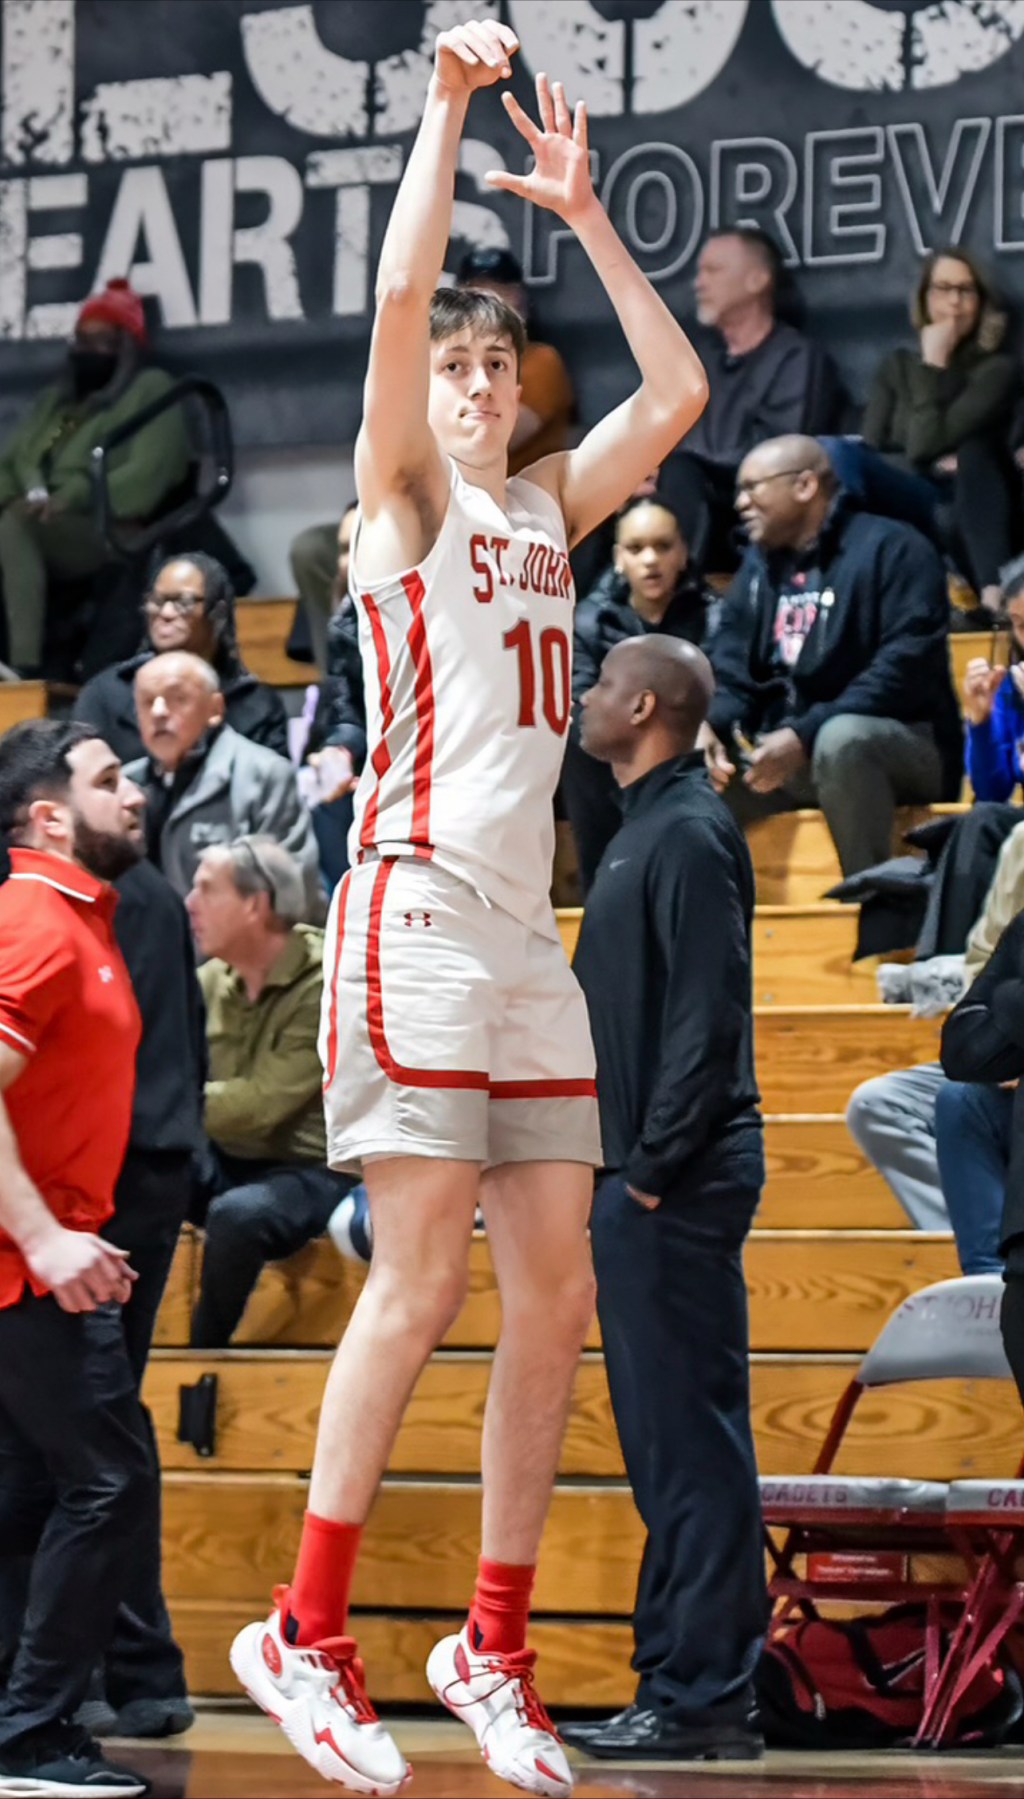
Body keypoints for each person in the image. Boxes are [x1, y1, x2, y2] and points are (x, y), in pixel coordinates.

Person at [227, 18, 709, 1799]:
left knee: (557, 1296)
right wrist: (439, 114)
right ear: (423, 391)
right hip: (415, 910)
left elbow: (673, 401)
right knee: (419, 1278)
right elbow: (396, 299)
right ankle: (306, 1625)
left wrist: (584, 214)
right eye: (458, 360)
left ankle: (489, 1643)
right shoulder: (404, 500)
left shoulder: (543, 512)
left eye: (500, 361)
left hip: (524, 934)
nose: (478, 375)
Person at [565, 636, 765, 1762]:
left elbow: (708, 1019)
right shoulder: (644, 821)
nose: (586, 699)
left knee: (688, 1442)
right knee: (665, 1441)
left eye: (598, 686)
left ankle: (702, 1695)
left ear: (642, 705)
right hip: (648, 1178)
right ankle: (676, 1679)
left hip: (672, 1184)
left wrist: (645, 1169)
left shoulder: (687, 832)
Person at [0, 719, 153, 1799]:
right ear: (49, 815)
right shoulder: (34, 921)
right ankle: (33, 1734)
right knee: (108, 1479)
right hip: (26, 1271)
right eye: (109, 779)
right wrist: (46, 1237)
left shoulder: (77, 918)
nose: (134, 790)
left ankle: (20, 1723)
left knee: (33, 1492)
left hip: (43, 1265)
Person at [701, 433, 960, 876]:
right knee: (686, 764)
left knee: (842, 739)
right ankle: (696, 928)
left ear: (805, 486)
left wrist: (805, 733)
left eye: (753, 487)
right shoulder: (758, 571)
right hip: (792, 750)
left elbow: (902, 673)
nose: (740, 503)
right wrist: (707, 723)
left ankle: (878, 904)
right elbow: (732, 669)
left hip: (905, 744)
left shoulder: (896, 549)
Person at [186, 839, 354, 1347]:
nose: (189, 902)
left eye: (207, 889)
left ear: (255, 905)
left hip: (315, 1170)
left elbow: (261, 1107)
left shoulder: (328, 980)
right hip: (228, 1158)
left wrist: (175, 1104)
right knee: (135, 1169)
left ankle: (199, 1359)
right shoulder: (208, 981)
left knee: (238, 1216)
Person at [846, 820, 1024, 1264]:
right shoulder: (1021, 843)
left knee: (963, 1099)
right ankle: (980, 1265)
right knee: (882, 1104)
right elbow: (982, 966)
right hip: (1008, 1047)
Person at [0, 281, 190, 675]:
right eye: (81, 341)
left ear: (126, 348)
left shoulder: (150, 389)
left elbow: (148, 476)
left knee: (17, 525)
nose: (87, 352)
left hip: (106, 529)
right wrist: (27, 495)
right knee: (14, 518)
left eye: (101, 341)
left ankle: (25, 668)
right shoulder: (56, 402)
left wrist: (71, 497)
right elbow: (12, 461)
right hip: (39, 516)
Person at [663, 230, 840, 572]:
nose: (698, 284)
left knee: (683, 471)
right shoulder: (699, 364)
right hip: (690, 496)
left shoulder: (796, 359)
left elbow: (783, 453)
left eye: (713, 271)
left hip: (753, 506)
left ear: (758, 279)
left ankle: (682, 595)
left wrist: (686, 464)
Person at [562, 492, 715, 889]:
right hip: (615, 757)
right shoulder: (589, 621)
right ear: (618, 557)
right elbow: (581, 694)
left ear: (683, 553)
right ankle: (600, 884)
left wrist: (697, 724)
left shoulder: (714, 615)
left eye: (663, 547)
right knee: (575, 737)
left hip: (696, 751)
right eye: (636, 548)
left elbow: (733, 685)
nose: (650, 560)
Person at [863, 248, 1020, 614]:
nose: (954, 301)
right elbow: (876, 442)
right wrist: (930, 459)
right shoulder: (897, 366)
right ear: (925, 297)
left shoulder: (996, 370)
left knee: (973, 449)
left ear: (981, 301)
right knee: (844, 460)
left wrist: (934, 364)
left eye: (966, 290)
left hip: (976, 497)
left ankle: (992, 593)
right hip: (914, 488)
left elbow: (921, 441)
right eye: (944, 288)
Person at [125, 652, 321, 919]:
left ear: (215, 709)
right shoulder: (125, 788)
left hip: (244, 954)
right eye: (147, 702)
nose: (158, 712)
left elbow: (292, 891)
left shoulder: (264, 774)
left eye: (177, 699)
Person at [73, 552, 288, 764]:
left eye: (183, 602)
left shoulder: (256, 704)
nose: (165, 613)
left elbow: (271, 787)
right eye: (157, 601)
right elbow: (80, 779)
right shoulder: (106, 693)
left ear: (218, 613)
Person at [455, 245, 575, 473]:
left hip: (523, 498)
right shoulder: (441, 365)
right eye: (476, 293)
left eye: (500, 291)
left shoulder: (541, 361)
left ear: (520, 300)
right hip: (459, 498)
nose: (488, 303)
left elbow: (488, 440)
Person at [961, 554, 1024, 802]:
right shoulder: (1012, 687)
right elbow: (991, 793)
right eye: (1020, 625)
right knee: (983, 819)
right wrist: (981, 723)